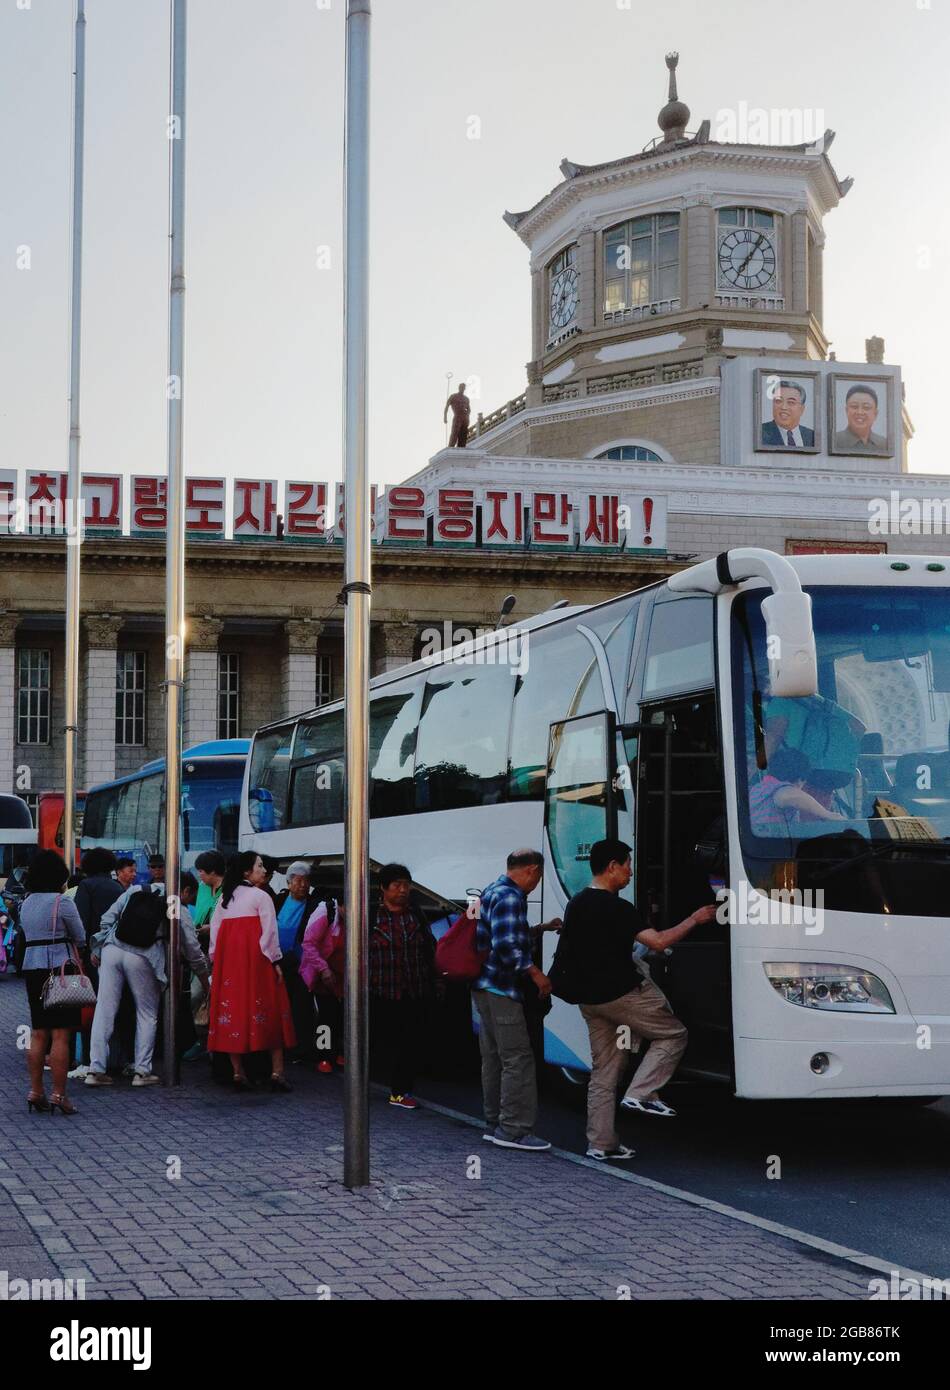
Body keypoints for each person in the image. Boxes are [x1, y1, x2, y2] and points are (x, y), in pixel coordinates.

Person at [556, 839, 718, 1157]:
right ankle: (642, 1092)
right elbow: (657, 942)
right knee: (674, 1034)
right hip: (622, 997)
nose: (631, 873)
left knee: (604, 1071)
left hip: (591, 1002)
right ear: (612, 867)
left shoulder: (576, 903)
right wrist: (694, 919)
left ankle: (600, 1144)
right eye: (627, 865)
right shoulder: (617, 907)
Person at [86, 867, 209, 1088]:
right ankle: (142, 1072)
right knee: (147, 1013)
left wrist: (98, 947)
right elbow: (192, 948)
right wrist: (204, 978)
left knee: (104, 1010)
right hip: (144, 955)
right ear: (186, 890)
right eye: (190, 898)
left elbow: (108, 918)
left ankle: (95, 1070)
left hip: (113, 949)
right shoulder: (176, 904)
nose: (189, 902)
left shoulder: (136, 889)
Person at [473, 848, 561, 1151]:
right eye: (538, 877)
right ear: (532, 870)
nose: (536, 883)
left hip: (484, 986)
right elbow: (507, 945)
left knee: (494, 1058)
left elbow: (503, 934)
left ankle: (494, 1122)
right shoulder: (511, 897)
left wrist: (540, 929)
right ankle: (514, 1130)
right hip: (502, 988)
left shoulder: (493, 890)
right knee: (518, 1058)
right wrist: (537, 973)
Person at [207, 852, 295, 1092]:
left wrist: (217, 963)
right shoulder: (261, 896)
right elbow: (269, 934)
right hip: (258, 964)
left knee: (233, 1015)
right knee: (272, 1012)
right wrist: (275, 961)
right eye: (259, 865)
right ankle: (277, 1072)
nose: (263, 870)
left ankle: (238, 1072)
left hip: (229, 967)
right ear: (247, 871)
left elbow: (214, 939)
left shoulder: (224, 899)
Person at [21, 850, 86, 1116]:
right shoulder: (63, 902)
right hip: (61, 969)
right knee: (61, 1034)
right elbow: (80, 936)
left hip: (32, 968)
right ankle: (60, 1094)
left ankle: (36, 1091)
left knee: (39, 1032)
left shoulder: (27, 902)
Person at [369, 863, 438, 1110]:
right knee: (379, 1041)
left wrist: (435, 980)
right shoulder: (370, 915)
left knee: (409, 1043)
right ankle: (363, 1085)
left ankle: (399, 1092)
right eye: (397, 885)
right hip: (379, 991)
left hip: (412, 989)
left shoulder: (415, 914)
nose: (403, 890)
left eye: (406, 885)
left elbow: (429, 948)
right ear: (383, 888)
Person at [273, 861, 324, 1059]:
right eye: (298, 880)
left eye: (306, 881)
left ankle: (302, 1048)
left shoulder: (313, 904)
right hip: (278, 962)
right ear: (289, 882)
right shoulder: (278, 900)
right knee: (280, 1005)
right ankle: (282, 1044)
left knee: (301, 1006)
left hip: (302, 964)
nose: (303, 885)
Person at [749, 747, 846, 835]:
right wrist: (828, 815)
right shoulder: (780, 789)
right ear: (800, 780)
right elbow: (788, 795)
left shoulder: (757, 789)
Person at [300, 896, 345, 1074]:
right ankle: (324, 1056)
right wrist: (324, 969)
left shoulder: (357, 919)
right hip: (324, 977)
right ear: (341, 905)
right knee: (326, 1018)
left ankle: (340, 1052)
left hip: (344, 977)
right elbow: (309, 944)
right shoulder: (325, 914)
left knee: (343, 1017)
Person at [74, 848, 124, 942]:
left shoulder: (86, 884)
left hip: (93, 939)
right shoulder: (118, 887)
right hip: (113, 940)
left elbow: (81, 917)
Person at [761, 379, 814, 448]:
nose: (784, 407)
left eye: (791, 402)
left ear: (801, 409)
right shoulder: (760, 432)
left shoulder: (812, 436)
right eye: (778, 401)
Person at [834, 383, 887, 453]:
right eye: (854, 406)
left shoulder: (884, 444)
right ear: (846, 411)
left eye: (866, 407)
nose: (860, 412)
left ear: (875, 414)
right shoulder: (835, 440)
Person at [443, 382, 471, 448]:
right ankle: (450, 447)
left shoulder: (466, 399)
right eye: (461, 387)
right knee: (455, 433)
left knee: (463, 434)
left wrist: (467, 416)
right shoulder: (453, 396)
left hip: (465, 418)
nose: (462, 389)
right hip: (457, 416)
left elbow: (469, 409)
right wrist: (445, 417)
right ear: (459, 388)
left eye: (464, 388)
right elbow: (447, 406)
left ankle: (461, 447)